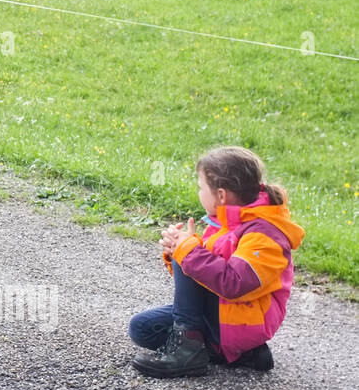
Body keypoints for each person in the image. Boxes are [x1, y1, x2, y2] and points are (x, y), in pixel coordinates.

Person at [129, 146, 304, 377]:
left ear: (221, 195)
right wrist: (176, 253)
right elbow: (203, 280)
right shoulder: (225, 222)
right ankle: (241, 353)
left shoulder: (265, 234)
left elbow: (234, 283)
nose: (199, 192)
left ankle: (188, 350)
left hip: (244, 317)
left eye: (201, 187)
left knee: (189, 251)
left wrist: (188, 251)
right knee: (142, 327)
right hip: (225, 311)